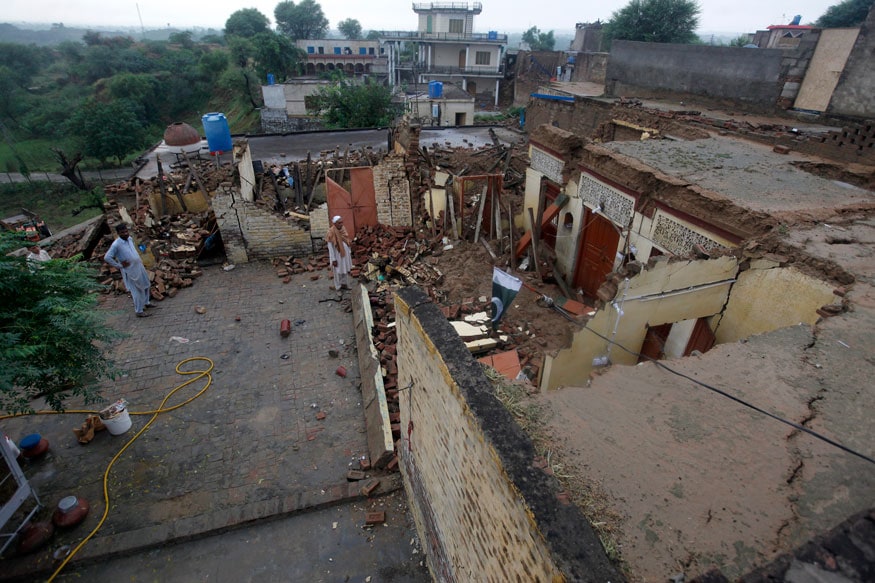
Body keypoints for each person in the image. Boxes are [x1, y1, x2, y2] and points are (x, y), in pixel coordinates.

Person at [104, 224, 154, 318]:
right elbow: (107, 257)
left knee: (147, 284)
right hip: (130, 270)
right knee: (137, 290)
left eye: (126, 231)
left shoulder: (130, 239)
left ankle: (146, 302)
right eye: (122, 232)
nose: (125, 233)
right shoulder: (116, 244)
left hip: (139, 266)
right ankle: (139, 310)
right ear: (118, 233)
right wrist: (119, 265)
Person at [326, 215, 352, 291]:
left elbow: (346, 240)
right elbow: (330, 247)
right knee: (337, 271)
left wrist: (349, 251)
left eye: (342, 222)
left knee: (345, 269)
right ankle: (338, 287)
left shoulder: (343, 229)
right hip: (337, 255)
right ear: (335, 223)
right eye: (339, 223)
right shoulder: (330, 232)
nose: (341, 224)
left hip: (345, 254)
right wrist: (333, 259)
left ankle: (344, 284)